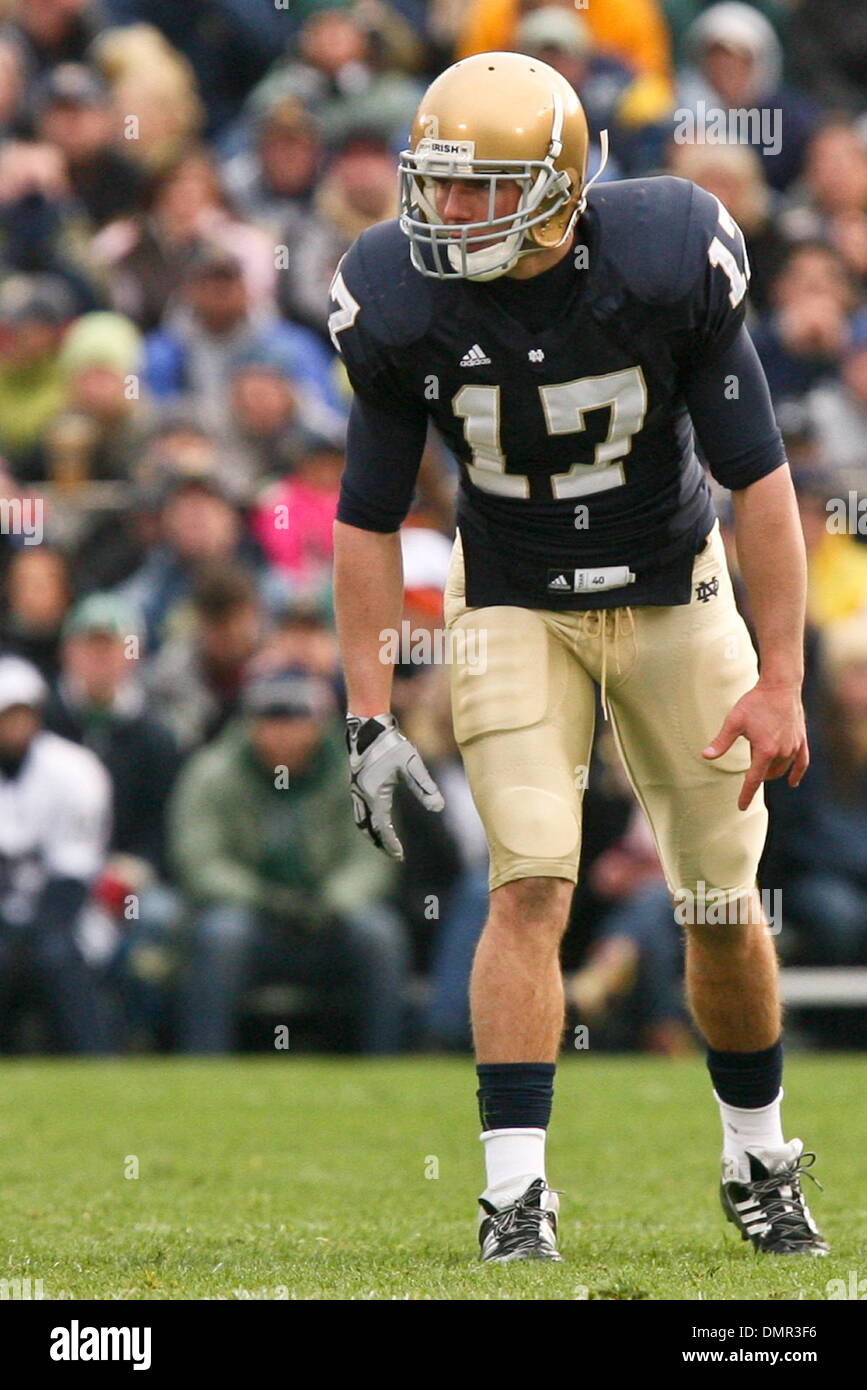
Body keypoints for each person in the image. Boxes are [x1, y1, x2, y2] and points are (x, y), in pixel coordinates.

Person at [331, 51, 828, 1261]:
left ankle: (757, 1156)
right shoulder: (400, 295)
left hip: (674, 587)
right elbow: (364, 519)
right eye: (435, 184)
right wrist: (367, 716)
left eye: (476, 188)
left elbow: (760, 484)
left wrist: (781, 677)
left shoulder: (666, 257)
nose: (442, 213)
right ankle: (515, 1197)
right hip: (511, 597)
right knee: (529, 882)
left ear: (554, 192)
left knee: (717, 898)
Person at [169, 668, 406, 1054]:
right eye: (271, 721)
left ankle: (384, 1059)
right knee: (221, 934)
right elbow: (200, 862)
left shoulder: (356, 775)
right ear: (250, 725)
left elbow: (373, 857)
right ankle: (206, 1062)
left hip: (328, 921)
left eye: (295, 720)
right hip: (253, 919)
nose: (283, 732)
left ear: (318, 725)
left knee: (378, 933)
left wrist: (332, 901)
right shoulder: (211, 774)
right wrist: (267, 899)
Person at [0, 654, 112, 1052]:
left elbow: (73, 873)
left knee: (56, 953)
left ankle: (98, 1060)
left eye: (21, 714)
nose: (14, 726)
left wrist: (27, 934)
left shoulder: (75, 769)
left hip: (69, 910)